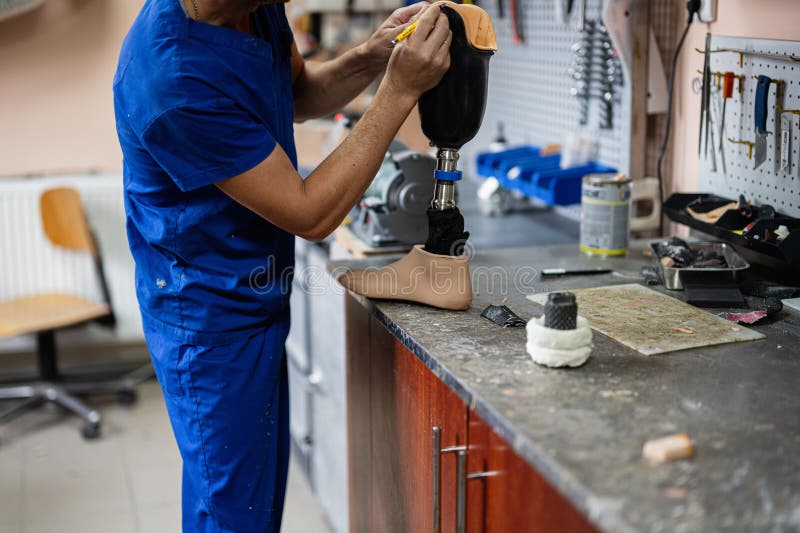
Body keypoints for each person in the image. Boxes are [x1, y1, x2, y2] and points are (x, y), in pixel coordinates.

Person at [113, 0, 451, 530]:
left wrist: (369, 58)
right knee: (235, 515)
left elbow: (296, 92)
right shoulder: (172, 79)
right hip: (206, 320)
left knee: (237, 500)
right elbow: (309, 212)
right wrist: (399, 92)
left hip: (251, 293)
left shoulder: (249, 8)